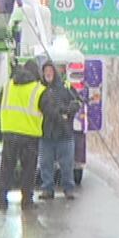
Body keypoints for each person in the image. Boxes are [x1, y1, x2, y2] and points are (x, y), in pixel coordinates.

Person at [0, 60, 45, 211]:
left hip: (9, 133)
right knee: (28, 170)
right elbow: (50, 111)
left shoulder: (8, 86)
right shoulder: (38, 89)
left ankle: (2, 198)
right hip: (29, 135)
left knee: (7, 168)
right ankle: (26, 200)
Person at [35, 60, 80, 200]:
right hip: (46, 133)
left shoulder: (66, 87)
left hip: (64, 133)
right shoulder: (39, 89)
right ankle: (47, 189)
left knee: (67, 165)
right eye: (45, 71)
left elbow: (77, 102)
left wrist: (70, 110)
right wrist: (59, 113)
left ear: (55, 72)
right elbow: (42, 107)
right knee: (45, 164)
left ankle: (68, 189)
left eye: (50, 71)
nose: (48, 73)